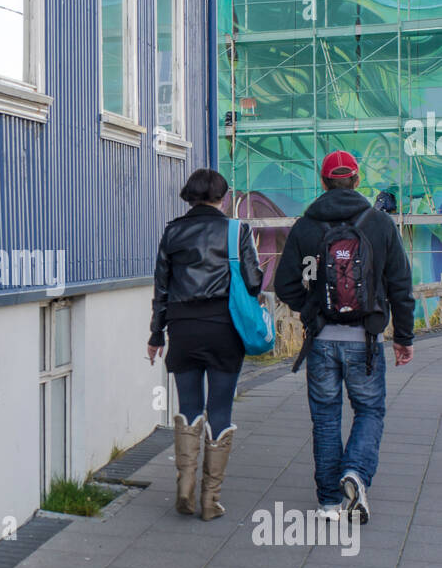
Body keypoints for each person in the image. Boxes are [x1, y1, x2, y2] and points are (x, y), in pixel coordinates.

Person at [274, 150, 414, 523]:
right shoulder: (380, 224)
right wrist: (404, 336)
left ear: (323, 183)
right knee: (369, 410)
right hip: (366, 341)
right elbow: (400, 284)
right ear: (356, 181)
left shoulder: (306, 226)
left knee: (325, 417)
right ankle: (355, 472)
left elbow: (284, 283)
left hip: (320, 341)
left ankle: (329, 503)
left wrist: (310, 309)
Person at [147, 168, 263, 520]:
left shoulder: (172, 232)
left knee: (189, 407)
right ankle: (210, 501)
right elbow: (254, 281)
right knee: (221, 409)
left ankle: (184, 487)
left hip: (182, 330)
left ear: (189, 195)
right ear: (222, 197)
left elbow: (161, 288)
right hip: (224, 329)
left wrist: (156, 334)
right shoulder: (236, 230)